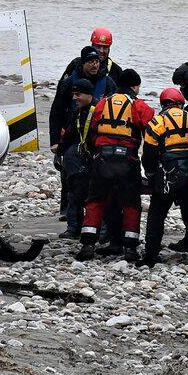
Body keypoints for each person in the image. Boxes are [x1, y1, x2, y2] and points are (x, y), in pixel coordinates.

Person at [75, 68, 153, 263]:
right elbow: (151, 132)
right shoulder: (138, 105)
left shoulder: (102, 103)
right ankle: (130, 249)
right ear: (135, 87)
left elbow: (93, 129)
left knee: (96, 200)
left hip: (102, 159)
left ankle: (88, 244)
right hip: (127, 160)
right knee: (131, 204)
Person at [50, 46, 117, 220]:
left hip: (98, 138)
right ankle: (67, 212)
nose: (95, 65)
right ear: (83, 63)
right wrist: (55, 140)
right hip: (73, 133)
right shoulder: (69, 82)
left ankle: (95, 214)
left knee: (98, 177)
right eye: (91, 62)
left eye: (97, 61)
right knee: (70, 175)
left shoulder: (108, 82)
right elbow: (56, 110)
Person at [139, 87, 188, 266]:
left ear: (162, 104)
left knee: (157, 215)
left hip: (167, 176)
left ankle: (151, 255)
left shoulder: (157, 122)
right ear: (181, 103)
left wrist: (151, 176)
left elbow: (148, 154)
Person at [55, 78, 95, 239]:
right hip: (79, 157)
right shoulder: (77, 111)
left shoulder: (99, 111)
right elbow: (70, 133)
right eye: (73, 94)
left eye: (77, 94)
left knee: (92, 196)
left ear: (88, 95)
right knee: (74, 193)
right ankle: (73, 228)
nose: (74, 98)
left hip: (94, 159)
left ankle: (93, 229)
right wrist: (59, 152)